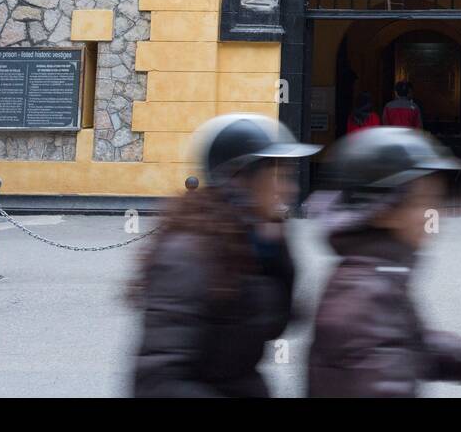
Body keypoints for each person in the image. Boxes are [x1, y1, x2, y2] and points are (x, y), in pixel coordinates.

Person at [307, 127, 461, 397]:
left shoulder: (376, 276)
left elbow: (413, 346)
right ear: (383, 212)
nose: (432, 215)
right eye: (422, 201)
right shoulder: (366, 297)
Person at [131, 114, 320, 397]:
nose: (290, 189)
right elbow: (158, 380)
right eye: (278, 176)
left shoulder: (251, 241)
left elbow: (277, 323)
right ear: (240, 180)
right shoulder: (187, 255)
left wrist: (278, 255)